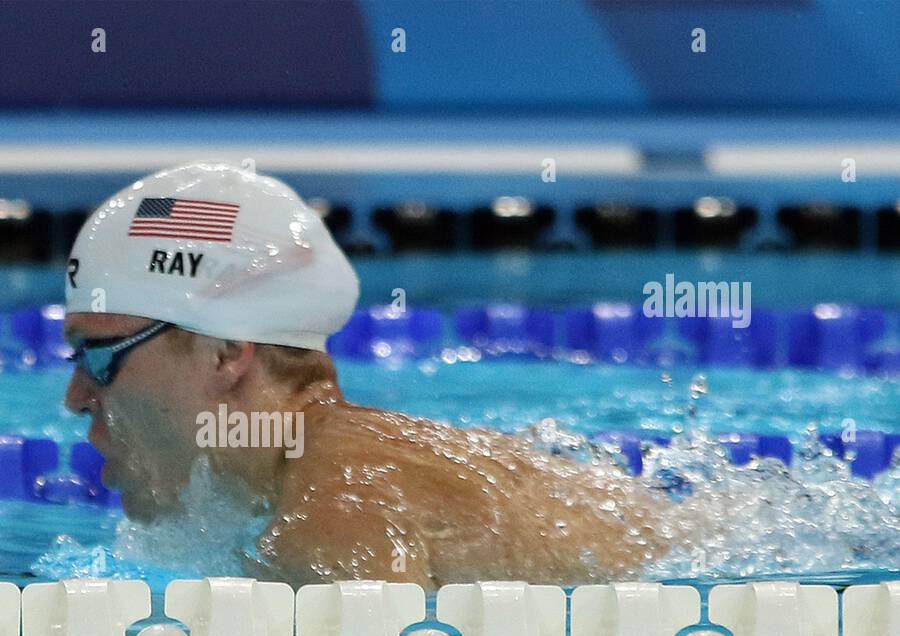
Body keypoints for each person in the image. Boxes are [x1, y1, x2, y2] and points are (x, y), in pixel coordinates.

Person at [62, 161, 664, 587]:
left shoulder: (335, 507)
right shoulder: (324, 472)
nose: (76, 397)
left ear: (223, 353)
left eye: (97, 356)